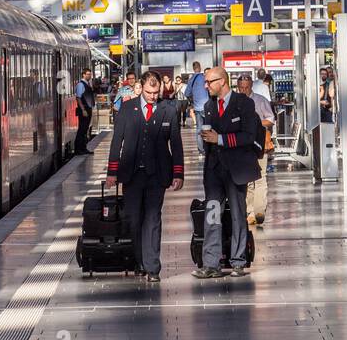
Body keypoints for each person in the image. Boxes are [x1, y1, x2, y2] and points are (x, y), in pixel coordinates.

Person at [106, 68, 184, 282]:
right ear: (141, 87)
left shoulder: (168, 110)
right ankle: (138, 261)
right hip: (131, 174)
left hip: (157, 175)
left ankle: (152, 267)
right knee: (133, 218)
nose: (153, 97)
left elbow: (176, 144)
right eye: (149, 92)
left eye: (156, 92)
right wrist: (112, 172)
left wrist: (178, 173)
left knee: (153, 218)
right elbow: (116, 142)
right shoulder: (127, 108)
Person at [193, 65, 260, 279]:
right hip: (214, 171)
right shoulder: (209, 106)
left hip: (236, 169)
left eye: (209, 82)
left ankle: (238, 261)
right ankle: (211, 263)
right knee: (212, 215)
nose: (206, 86)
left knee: (238, 215)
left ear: (222, 81)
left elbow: (249, 136)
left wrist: (220, 139)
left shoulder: (243, 104)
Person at [236, 72, 274, 226]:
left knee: (260, 176)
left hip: (259, 144)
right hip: (242, 146)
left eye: (246, 87)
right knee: (247, 178)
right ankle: (249, 211)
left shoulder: (260, 100)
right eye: (241, 88)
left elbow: (270, 119)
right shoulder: (234, 103)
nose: (244, 90)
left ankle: (258, 211)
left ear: (251, 86)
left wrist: (255, 124)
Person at [184, 60, 210, 157]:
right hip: (207, 107)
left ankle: (201, 150)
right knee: (208, 127)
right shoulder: (204, 78)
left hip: (197, 107)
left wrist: (193, 97)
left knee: (199, 129)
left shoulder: (191, 80)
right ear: (200, 67)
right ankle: (208, 148)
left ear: (193, 68)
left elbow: (186, 93)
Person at [74, 69, 95, 154]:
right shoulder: (80, 85)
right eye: (87, 74)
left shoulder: (87, 84)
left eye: (90, 74)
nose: (89, 76)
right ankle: (78, 149)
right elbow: (78, 98)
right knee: (82, 129)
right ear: (83, 75)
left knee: (85, 129)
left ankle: (83, 148)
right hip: (84, 109)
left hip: (88, 109)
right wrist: (83, 110)